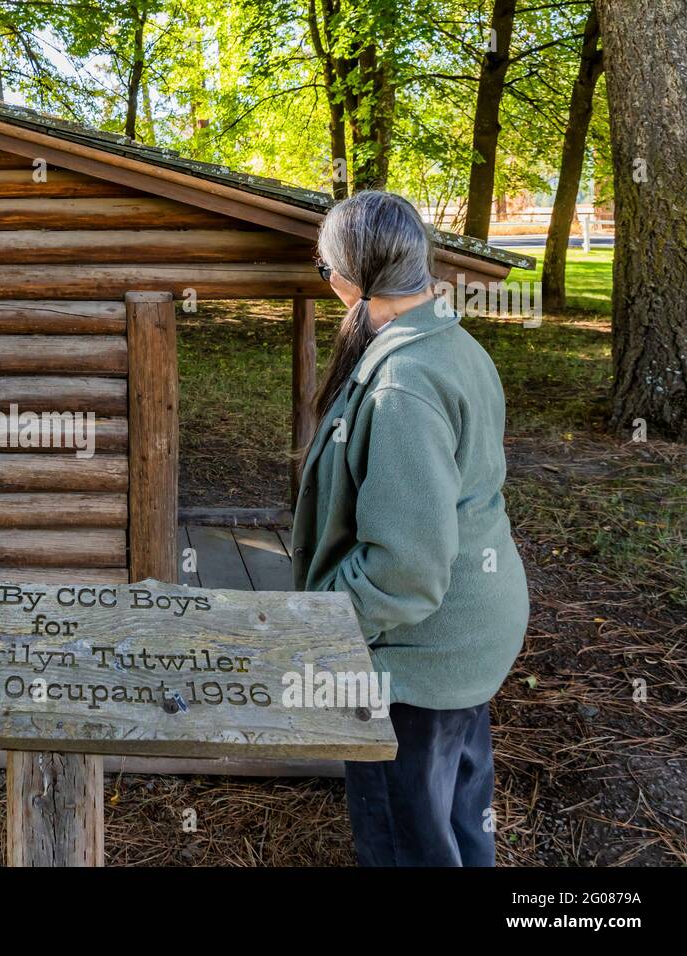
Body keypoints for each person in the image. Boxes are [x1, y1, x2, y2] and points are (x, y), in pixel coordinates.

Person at [291, 190, 530, 866]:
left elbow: (404, 570)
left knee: (408, 845)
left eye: (324, 269)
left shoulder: (404, 385)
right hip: (467, 637)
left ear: (347, 280)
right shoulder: (450, 343)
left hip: (417, 659)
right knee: (455, 823)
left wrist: (325, 633)